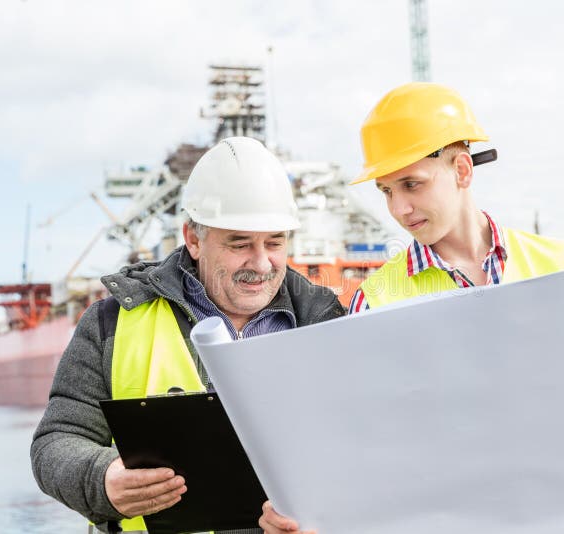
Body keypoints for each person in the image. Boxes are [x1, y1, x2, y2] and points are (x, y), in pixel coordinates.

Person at [258, 83, 564, 533]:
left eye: (412, 184)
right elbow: (349, 447)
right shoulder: (372, 300)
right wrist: (295, 510)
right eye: (386, 191)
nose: (399, 208)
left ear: (461, 169)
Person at [31, 136, 345, 534]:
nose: (262, 262)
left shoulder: (327, 323)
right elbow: (57, 440)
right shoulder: (112, 321)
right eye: (240, 243)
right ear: (194, 239)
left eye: (275, 242)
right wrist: (101, 478)